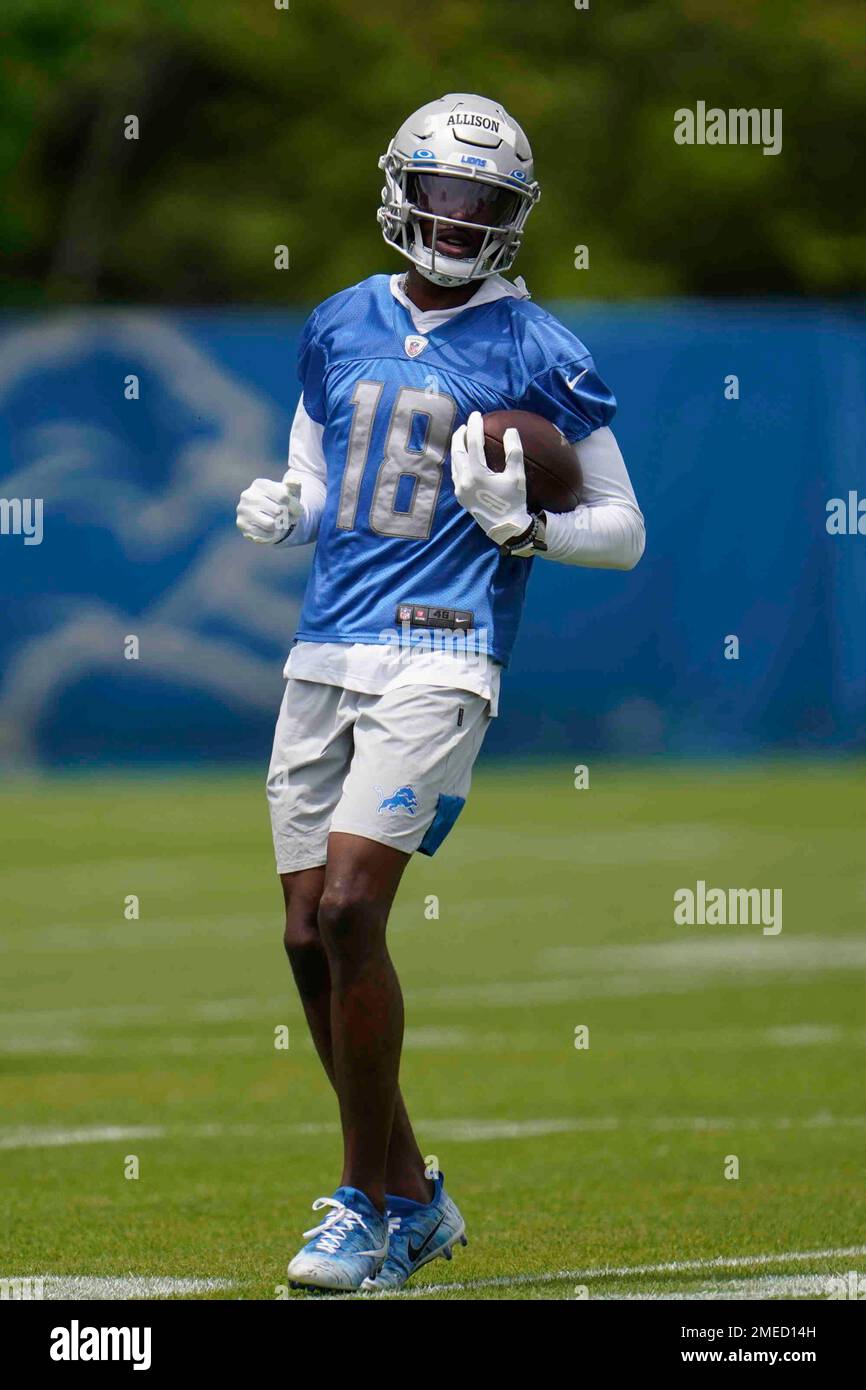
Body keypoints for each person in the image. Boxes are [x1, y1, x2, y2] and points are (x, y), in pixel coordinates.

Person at [236, 93, 645, 1293]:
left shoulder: (538, 349)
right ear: (400, 189)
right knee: (306, 931)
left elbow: (619, 528)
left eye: (483, 205)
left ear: (512, 220)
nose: (457, 220)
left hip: (442, 651)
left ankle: (364, 1204)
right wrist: (286, 508)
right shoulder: (337, 319)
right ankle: (412, 1195)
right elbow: (321, 475)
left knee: (355, 909)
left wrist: (531, 527)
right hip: (326, 648)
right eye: (443, 194)